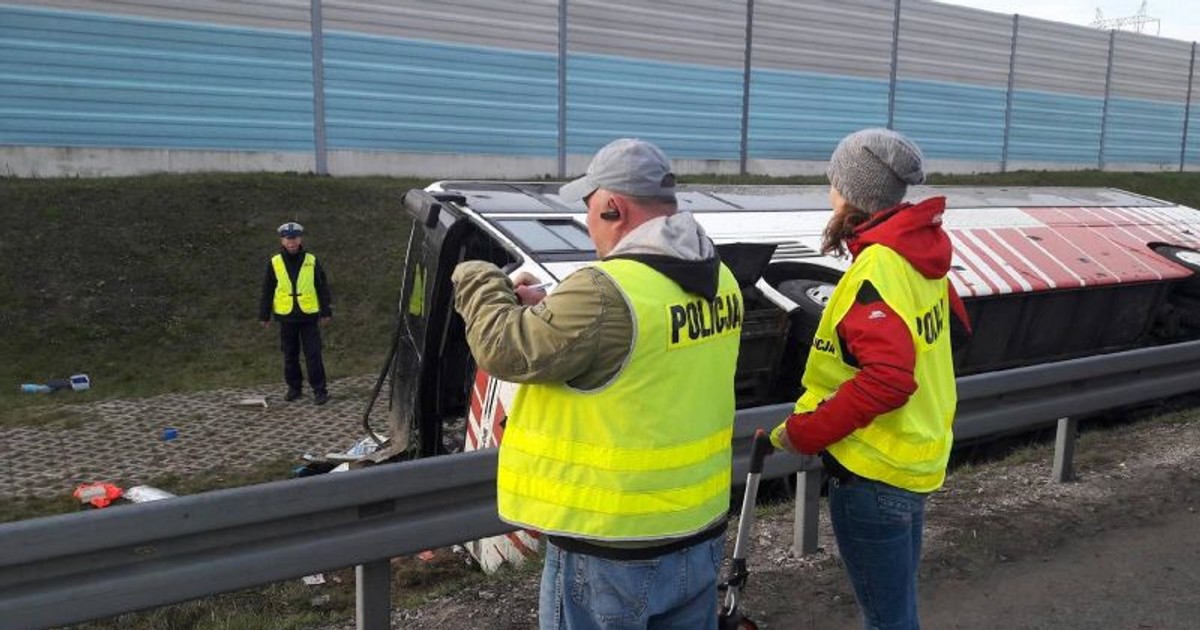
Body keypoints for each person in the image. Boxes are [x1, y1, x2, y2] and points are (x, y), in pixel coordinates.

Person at [451, 138, 744, 630]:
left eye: (588, 208)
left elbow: (503, 347)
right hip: (696, 534)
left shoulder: (604, 293)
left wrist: (478, 277)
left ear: (612, 207)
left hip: (610, 550)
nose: (588, 224)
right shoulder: (719, 278)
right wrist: (554, 307)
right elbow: (642, 354)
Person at [770, 128, 971, 630]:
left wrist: (804, 433)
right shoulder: (919, 255)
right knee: (898, 611)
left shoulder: (878, 267)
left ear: (851, 190)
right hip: (913, 458)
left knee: (888, 620)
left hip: (873, 472)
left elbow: (888, 379)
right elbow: (956, 333)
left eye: (833, 179)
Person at [258, 221, 332, 405]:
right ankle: (294, 388)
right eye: (287, 239)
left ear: (300, 239)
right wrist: (264, 315)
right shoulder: (275, 262)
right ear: (282, 240)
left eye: (294, 238)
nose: (291, 242)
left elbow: (321, 287)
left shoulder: (311, 260)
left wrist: (326, 311)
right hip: (286, 317)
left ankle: (320, 390)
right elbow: (268, 289)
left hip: (308, 316)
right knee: (290, 355)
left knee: (313, 354)